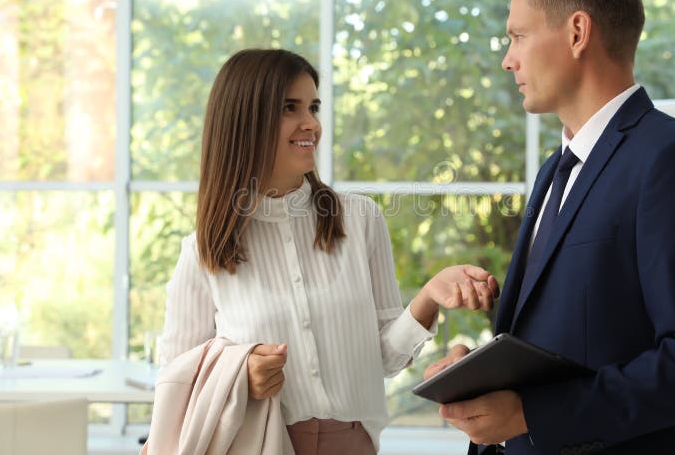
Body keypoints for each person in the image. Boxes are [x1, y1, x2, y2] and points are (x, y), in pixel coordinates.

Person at [424, 0, 675, 454]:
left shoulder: (674, 160)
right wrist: (482, 380)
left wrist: (531, 414)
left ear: (577, 33)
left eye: (518, 36)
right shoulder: (553, 172)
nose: (507, 59)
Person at [158, 48, 500, 454]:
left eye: (313, 107)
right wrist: (237, 376)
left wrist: (428, 297)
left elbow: (386, 358)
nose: (311, 124)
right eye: (290, 108)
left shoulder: (360, 219)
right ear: (244, 121)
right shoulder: (204, 250)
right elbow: (175, 382)